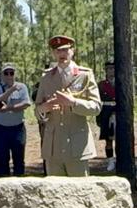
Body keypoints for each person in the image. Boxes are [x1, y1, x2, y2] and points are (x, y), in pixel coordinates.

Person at [35, 35, 101, 177]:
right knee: (54, 194)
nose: (62, 54)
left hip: (77, 146)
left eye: (65, 50)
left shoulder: (85, 75)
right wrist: (45, 108)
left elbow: (96, 107)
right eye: (58, 51)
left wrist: (73, 103)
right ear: (53, 53)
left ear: (72, 51)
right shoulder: (46, 77)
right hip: (53, 148)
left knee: (80, 192)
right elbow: (37, 109)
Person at [0, 63, 31, 176]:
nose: (9, 75)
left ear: (14, 74)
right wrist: (10, 90)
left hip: (17, 129)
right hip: (0, 129)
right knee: (2, 160)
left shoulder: (22, 87)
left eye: (11, 73)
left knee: (19, 160)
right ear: (2, 75)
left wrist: (9, 108)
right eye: (6, 73)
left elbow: (26, 103)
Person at [96, 61, 117, 171]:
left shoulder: (121, 82)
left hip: (118, 112)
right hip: (106, 112)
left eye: (113, 69)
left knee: (120, 138)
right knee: (108, 139)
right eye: (109, 69)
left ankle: (120, 159)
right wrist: (99, 117)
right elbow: (97, 101)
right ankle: (110, 161)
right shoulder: (101, 85)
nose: (111, 71)